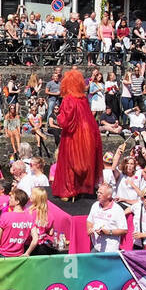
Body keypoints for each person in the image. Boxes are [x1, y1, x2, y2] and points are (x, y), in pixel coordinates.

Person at [51, 69, 104, 200]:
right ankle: (81, 189)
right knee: (82, 162)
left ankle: (69, 191)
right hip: (87, 135)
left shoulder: (68, 99)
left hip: (73, 136)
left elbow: (65, 121)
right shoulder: (83, 99)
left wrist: (58, 117)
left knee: (69, 162)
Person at [87, 183, 128, 253]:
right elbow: (89, 221)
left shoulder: (117, 210)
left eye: (101, 193)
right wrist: (89, 229)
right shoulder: (95, 205)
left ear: (109, 196)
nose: (98, 194)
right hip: (96, 246)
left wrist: (108, 232)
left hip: (110, 250)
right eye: (98, 192)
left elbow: (124, 230)